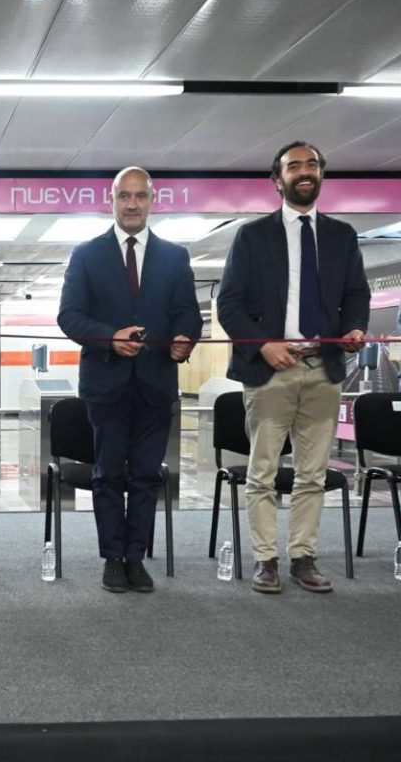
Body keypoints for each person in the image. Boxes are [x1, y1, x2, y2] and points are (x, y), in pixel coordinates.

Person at [217, 141, 370, 594]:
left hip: (323, 369)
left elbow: (356, 294)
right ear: (277, 179)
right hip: (270, 372)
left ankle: (303, 557)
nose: (304, 172)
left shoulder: (342, 236)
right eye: (294, 166)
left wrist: (355, 326)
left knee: (312, 474)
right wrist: (263, 345)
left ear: (321, 174)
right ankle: (265, 559)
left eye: (312, 165)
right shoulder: (252, 236)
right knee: (262, 471)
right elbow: (229, 304)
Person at [57, 167, 202, 593]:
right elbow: (69, 316)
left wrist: (185, 338)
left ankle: (136, 557)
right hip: (106, 385)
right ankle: (112, 558)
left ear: (152, 200)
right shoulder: (87, 254)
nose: (133, 204)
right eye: (125, 196)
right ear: (112, 200)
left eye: (140, 196)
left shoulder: (175, 257)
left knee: (145, 476)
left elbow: (188, 313)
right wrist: (109, 338)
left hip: (156, 383)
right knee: (107, 475)